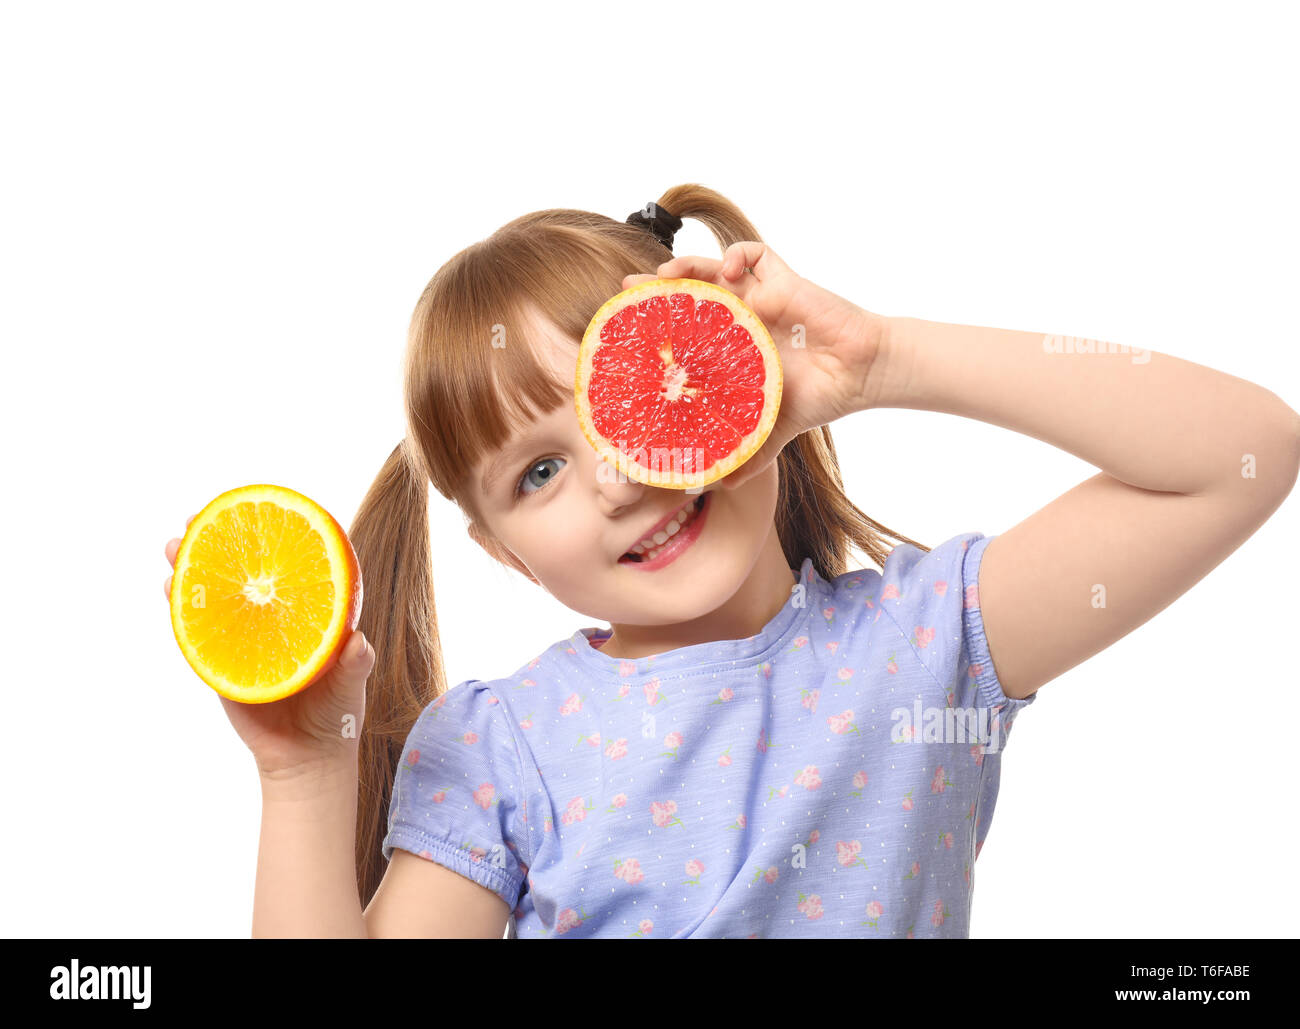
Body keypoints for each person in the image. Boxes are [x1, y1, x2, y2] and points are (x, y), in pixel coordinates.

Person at [163, 183, 1300, 938]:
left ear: (740, 372)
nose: (617, 476)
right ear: (501, 553)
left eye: (639, 395)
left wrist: (883, 360)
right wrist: (302, 775)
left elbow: (1241, 457)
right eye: (538, 474)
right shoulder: (501, 748)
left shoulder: (927, 645)